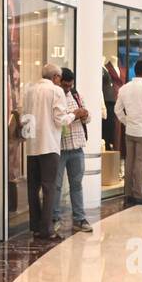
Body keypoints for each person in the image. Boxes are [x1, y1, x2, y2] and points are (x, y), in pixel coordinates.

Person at [20, 63, 77, 240]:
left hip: (32, 146)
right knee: (49, 187)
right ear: (56, 77)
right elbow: (60, 119)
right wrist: (75, 114)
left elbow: (24, 117)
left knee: (33, 188)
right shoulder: (56, 91)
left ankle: (35, 226)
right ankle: (47, 229)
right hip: (49, 145)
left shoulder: (29, 90)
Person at [53, 68, 93, 234]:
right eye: (65, 85)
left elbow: (88, 118)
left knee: (76, 185)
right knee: (56, 186)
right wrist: (74, 114)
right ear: (59, 81)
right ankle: (54, 218)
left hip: (77, 147)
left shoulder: (77, 96)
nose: (68, 88)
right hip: (60, 148)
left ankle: (79, 218)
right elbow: (57, 121)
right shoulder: (54, 97)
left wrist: (84, 115)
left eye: (70, 85)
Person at [115, 60, 142, 206]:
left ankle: (128, 194)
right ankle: (139, 194)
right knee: (140, 164)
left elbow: (117, 110)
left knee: (129, 163)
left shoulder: (124, 88)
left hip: (130, 131)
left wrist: (126, 121)